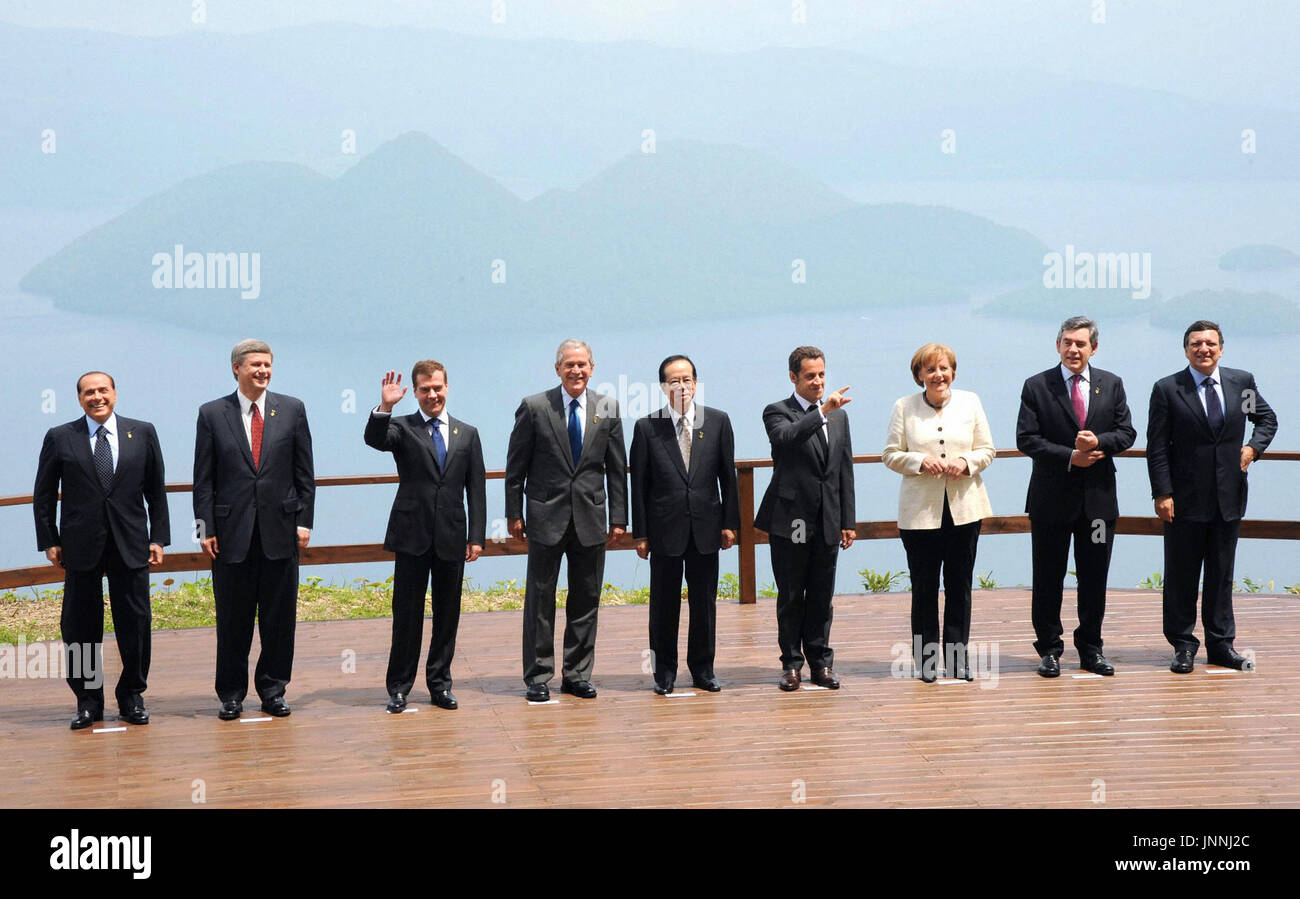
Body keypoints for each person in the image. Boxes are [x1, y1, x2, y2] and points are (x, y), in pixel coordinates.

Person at [33, 372, 169, 729]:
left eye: (102, 390)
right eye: (89, 392)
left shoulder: (142, 432)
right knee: (79, 626)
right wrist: (50, 540)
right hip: (80, 546)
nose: (97, 397)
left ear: (115, 394)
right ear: (79, 399)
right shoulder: (61, 437)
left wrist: (159, 538)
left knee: (136, 622)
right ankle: (88, 702)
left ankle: (132, 697)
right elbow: (44, 495)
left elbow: (156, 491)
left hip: (131, 543)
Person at [193, 339, 315, 720]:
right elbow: (204, 479)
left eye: (267, 364)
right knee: (233, 620)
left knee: (280, 619)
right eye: (255, 365)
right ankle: (231, 694)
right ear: (236, 369)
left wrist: (304, 521)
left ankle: (273, 690)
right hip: (231, 536)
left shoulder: (292, 409)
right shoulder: (212, 413)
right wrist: (204, 528)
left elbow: (304, 473)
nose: (263, 371)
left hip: (281, 532)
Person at [1147, 320, 1277, 674]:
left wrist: (1252, 448)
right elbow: (1156, 446)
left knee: (1221, 574)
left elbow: (1266, 420)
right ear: (1185, 349)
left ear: (1221, 348)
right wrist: (1162, 492)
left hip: (1228, 496)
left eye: (1210, 343)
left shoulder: (1240, 384)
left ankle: (1221, 645)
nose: (1203, 349)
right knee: (1181, 575)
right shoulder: (1168, 389)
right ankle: (1183, 645)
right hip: (1183, 499)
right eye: (1196, 344)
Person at [505, 339, 628, 702]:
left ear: (592, 368)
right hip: (545, 516)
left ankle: (577, 674)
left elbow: (616, 469)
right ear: (557, 368)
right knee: (540, 600)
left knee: (586, 599)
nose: (576, 371)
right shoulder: (535, 407)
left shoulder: (607, 407)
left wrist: (619, 517)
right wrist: (514, 512)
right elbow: (516, 467)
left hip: (591, 517)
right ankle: (538, 677)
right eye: (569, 364)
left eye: (583, 364)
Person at [1016, 316, 1136, 678]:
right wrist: (1070, 456)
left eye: (1081, 344)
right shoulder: (1037, 386)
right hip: (1051, 501)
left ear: (1093, 348)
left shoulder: (1111, 384)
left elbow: (1127, 432)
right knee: (1048, 577)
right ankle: (1049, 650)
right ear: (1057, 345)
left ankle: (1091, 648)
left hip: (1098, 504)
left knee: (1094, 577)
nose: (1073, 349)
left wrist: (1099, 443)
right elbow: (1027, 439)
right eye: (1067, 342)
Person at [365, 362, 486, 712]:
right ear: (415, 392)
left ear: (447, 387)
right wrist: (385, 407)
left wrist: (476, 535)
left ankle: (440, 684)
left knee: (448, 615)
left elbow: (475, 487)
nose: (432, 395)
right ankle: (399, 687)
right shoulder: (402, 427)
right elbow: (374, 440)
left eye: (437, 388)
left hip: (452, 536)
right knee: (407, 613)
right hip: (411, 535)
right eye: (424, 390)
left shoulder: (468, 433)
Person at [883, 343, 994, 682]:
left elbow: (987, 450)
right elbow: (890, 454)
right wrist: (918, 461)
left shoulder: (971, 401)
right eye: (930, 369)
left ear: (953, 372)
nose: (938, 375)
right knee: (925, 587)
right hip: (920, 514)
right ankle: (928, 662)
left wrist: (966, 462)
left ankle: (958, 660)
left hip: (964, 510)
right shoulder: (904, 407)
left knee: (960, 585)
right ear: (919, 375)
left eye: (943, 368)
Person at [630, 355, 740, 694]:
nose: (682, 386)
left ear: (696, 383)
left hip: (707, 527)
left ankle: (703, 670)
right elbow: (640, 486)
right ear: (663, 387)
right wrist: (642, 534)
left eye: (687, 379)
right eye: (674, 381)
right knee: (663, 605)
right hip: (664, 530)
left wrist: (730, 524)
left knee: (704, 604)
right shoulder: (647, 427)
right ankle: (663, 674)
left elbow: (728, 477)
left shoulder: (718, 421)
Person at [755, 346, 856, 692]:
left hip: (827, 518)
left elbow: (843, 469)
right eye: (810, 375)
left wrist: (848, 520)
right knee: (792, 594)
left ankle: (821, 662)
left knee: (822, 595)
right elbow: (786, 439)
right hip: (791, 521)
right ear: (793, 377)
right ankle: (791, 665)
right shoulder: (777, 412)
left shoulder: (839, 416)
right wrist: (822, 412)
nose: (818, 381)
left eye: (822, 375)